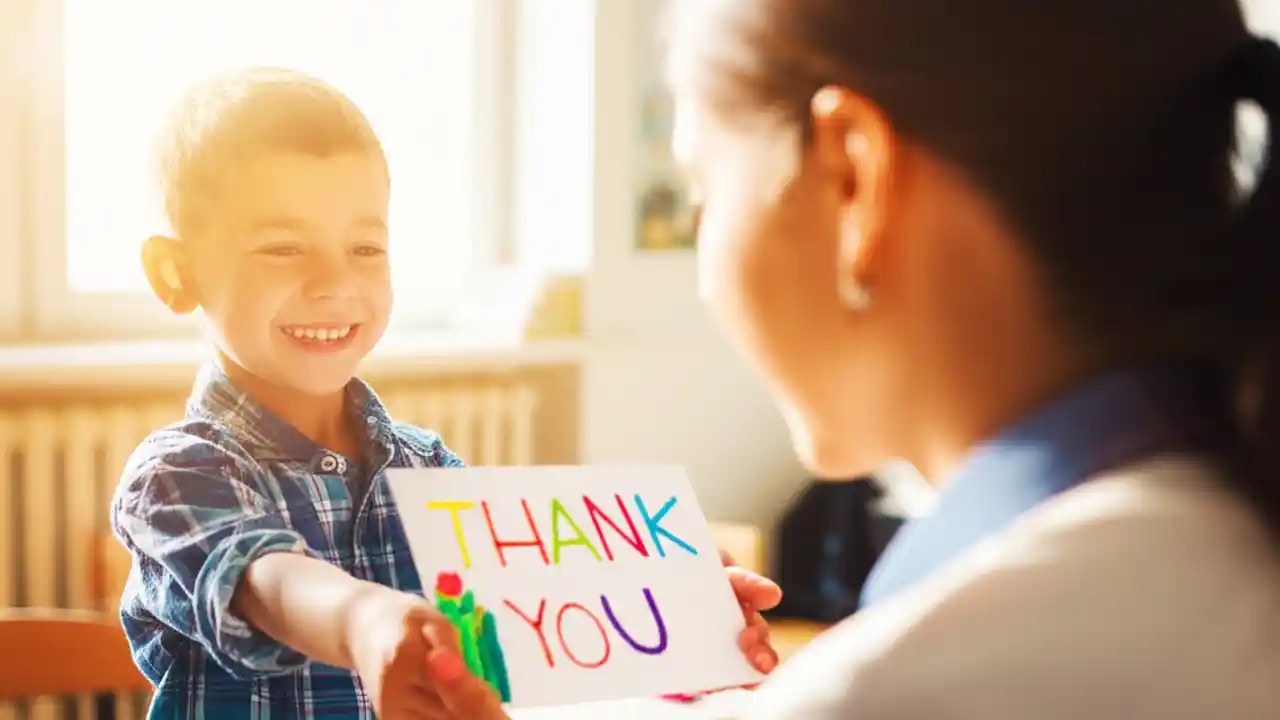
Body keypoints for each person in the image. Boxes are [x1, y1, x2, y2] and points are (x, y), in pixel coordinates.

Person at [659, 0, 1280, 716]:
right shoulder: (1219, 539)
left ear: (852, 177)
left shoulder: (898, 688)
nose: (706, 281)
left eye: (702, 193)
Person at [110, 67, 781, 720]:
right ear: (176, 273)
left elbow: (530, 616)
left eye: (365, 249)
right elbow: (266, 580)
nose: (334, 283)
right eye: (284, 248)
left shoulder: (426, 467)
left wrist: (681, 613)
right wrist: (365, 619)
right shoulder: (176, 476)